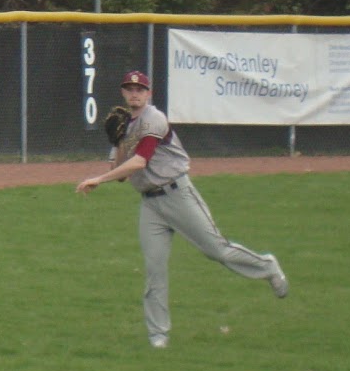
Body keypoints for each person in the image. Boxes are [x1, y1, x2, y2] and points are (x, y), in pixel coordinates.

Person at [76, 70, 288, 348]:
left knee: (217, 250)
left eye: (140, 89)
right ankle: (158, 336)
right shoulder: (125, 125)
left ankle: (267, 266)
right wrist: (118, 143)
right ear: (123, 93)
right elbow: (121, 173)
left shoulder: (154, 118)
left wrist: (98, 179)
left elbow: (140, 162)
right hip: (151, 205)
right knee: (154, 269)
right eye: (130, 89)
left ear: (148, 93)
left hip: (177, 194)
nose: (135, 93)